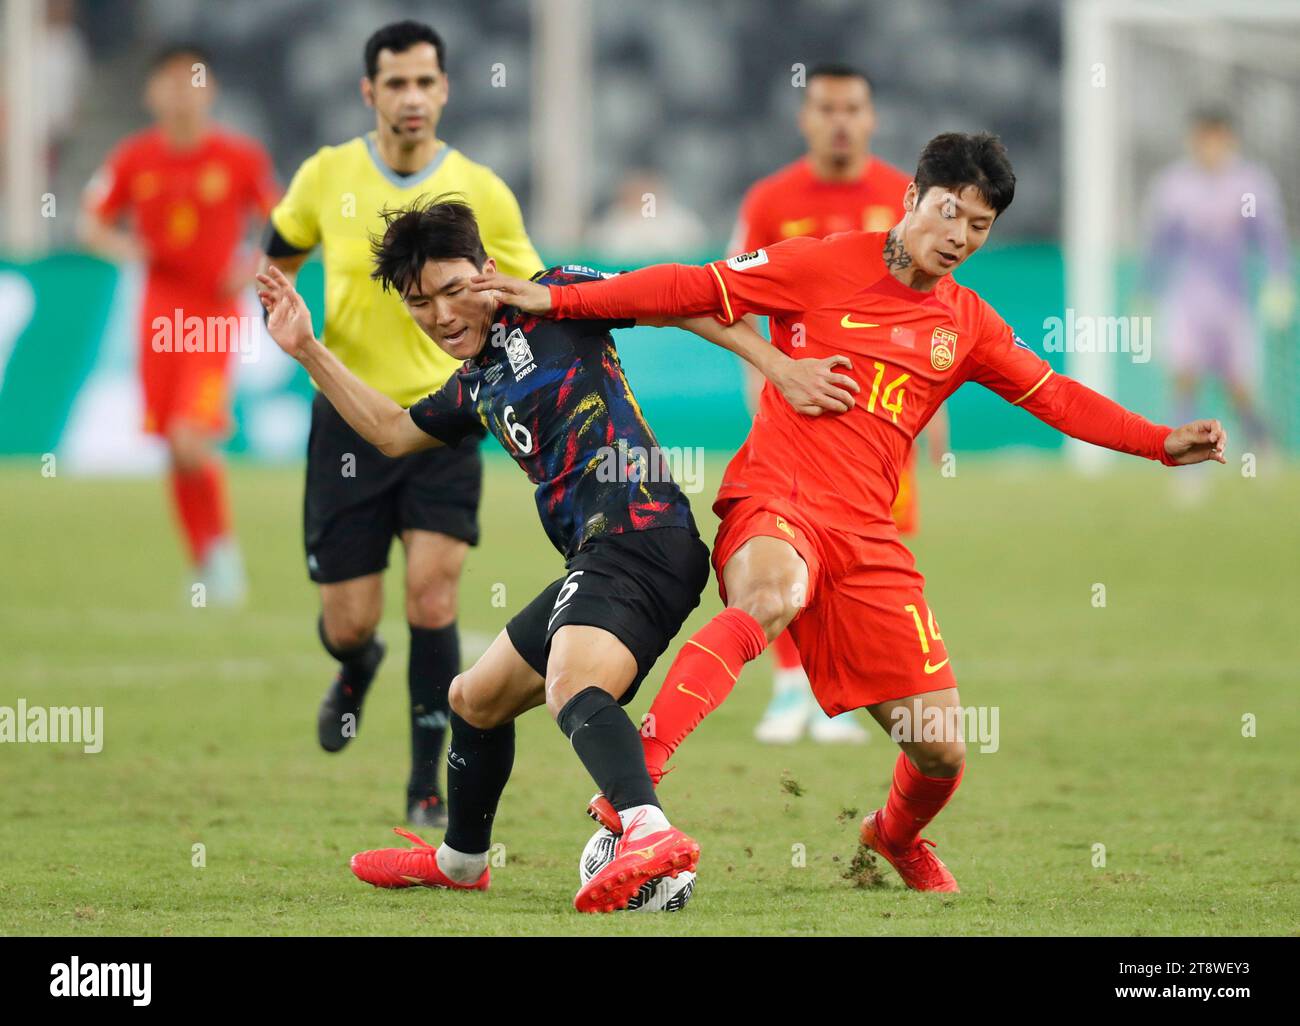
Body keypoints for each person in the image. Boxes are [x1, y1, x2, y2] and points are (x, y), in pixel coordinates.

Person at [470, 131, 1228, 893]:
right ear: (911, 199)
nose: (959, 236)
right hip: (777, 497)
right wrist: (559, 299)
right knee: (772, 594)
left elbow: (1055, 395)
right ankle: (634, 788)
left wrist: (1162, 443)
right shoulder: (822, 263)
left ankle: (892, 838)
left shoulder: (967, 325)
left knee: (941, 751)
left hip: (868, 535)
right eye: (948, 212)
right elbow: (688, 289)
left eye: (979, 225)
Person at [257, 197, 856, 911]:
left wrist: (777, 367)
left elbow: (683, 303)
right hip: (599, 558)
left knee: (571, 688)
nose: (443, 314)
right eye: (421, 303)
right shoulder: (476, 382)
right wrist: (305, 349)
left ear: (488, 269)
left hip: (644, 538)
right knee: (473, 701)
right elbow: (389, 432)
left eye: (455, 289)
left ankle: (646, 829)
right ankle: (460, 860)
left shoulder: (558, 296)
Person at [258, 21, 543, 829]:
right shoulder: (326, 177)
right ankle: (356, 663)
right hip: (351, 421)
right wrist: (280, 306)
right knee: (349, 618)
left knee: (433, 593)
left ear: (445, 89)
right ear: (369, 93)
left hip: (445, 418)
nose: (412, 98)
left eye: (426, 83)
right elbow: (275, 260)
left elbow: (525, 285)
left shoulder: (483, 192)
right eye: (396, 84)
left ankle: (426, 784)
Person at [728, 61, 949, 745]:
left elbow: (935, 311)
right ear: (806, 118)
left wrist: (935, 410)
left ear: (872, 117)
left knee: (868, 553)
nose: (841, 121)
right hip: (802, 422)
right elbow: (729, 296)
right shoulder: (770, 200)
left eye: (853, 107)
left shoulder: (902, 199)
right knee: (793, 549)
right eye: (826, 108)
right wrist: (762, 381)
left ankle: (840, 691)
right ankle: (792, 689)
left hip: (884, 422)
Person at [81, 43, 278, 605]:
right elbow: (90, 224)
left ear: (210, 89)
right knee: (173, 444)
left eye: (192, 81)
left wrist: (252, 266)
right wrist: (129, 245)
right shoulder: (133, 158)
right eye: (169, 82)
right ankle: (205, 561)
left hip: (212, 318)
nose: (181, 92)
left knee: (193, 438)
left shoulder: (238, 159)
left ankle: (224, 560)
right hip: (158, 316)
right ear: (151, 93)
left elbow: (287, 225)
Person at [1140, 107, 1292, 461]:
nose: (1209, 148)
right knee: (1184, 378)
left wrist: (1278, 281)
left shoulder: (1249, 184)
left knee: (1239, 387)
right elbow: (1161, 243)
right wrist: (1146, 292)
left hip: (1233, 301)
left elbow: (1269, 238)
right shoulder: (1175, 185)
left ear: (1229, 140)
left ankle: (1262, 446)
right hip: (1188, 300)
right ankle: (1187, 465)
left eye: (1217, 139)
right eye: (1203, 139)